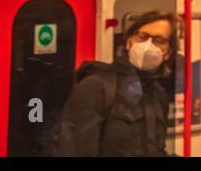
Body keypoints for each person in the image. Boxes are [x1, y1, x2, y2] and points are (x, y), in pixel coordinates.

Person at [51, 10, 178, 156]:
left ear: (168, 52)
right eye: (142, 37)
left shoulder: (158, 95)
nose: (148, 45)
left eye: (159, 40)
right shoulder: (96, 87)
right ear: (130, 42)